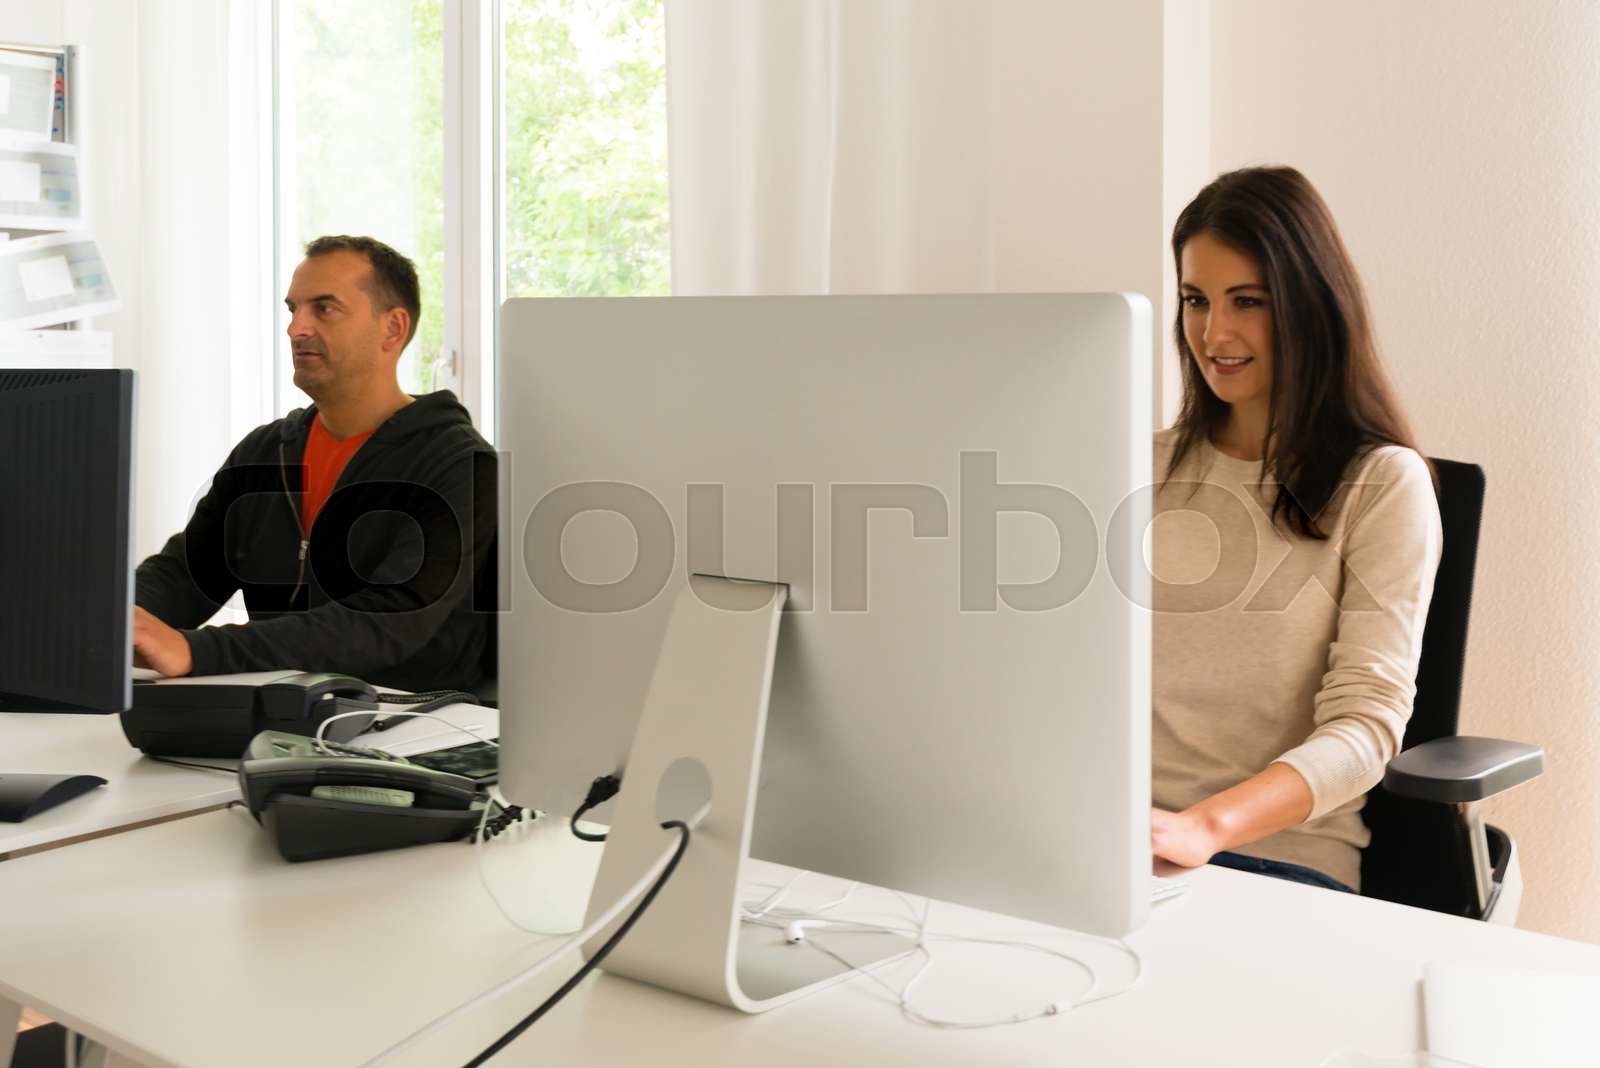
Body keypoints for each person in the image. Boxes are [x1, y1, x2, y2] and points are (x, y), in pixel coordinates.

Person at [1148, 166, 1442, 894]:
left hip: (1276, 864)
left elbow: (1366, 728)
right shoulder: (1135, 463)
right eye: (1195, 300)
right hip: (1122, 847)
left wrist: (1203, 828)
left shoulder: (1380, 484)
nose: (1214, 332)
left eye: (1248, 301)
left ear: (1308, 307)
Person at [132, 235, 495, 693]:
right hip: (278, 713)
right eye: (293, 309)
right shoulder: (266, 451)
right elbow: (186, 575)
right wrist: (113, 619)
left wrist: (197, 652)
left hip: (408, 724)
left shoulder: (460, 462)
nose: (296, 329)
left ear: (393, 329)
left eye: (324, 308)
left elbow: (390, 619)